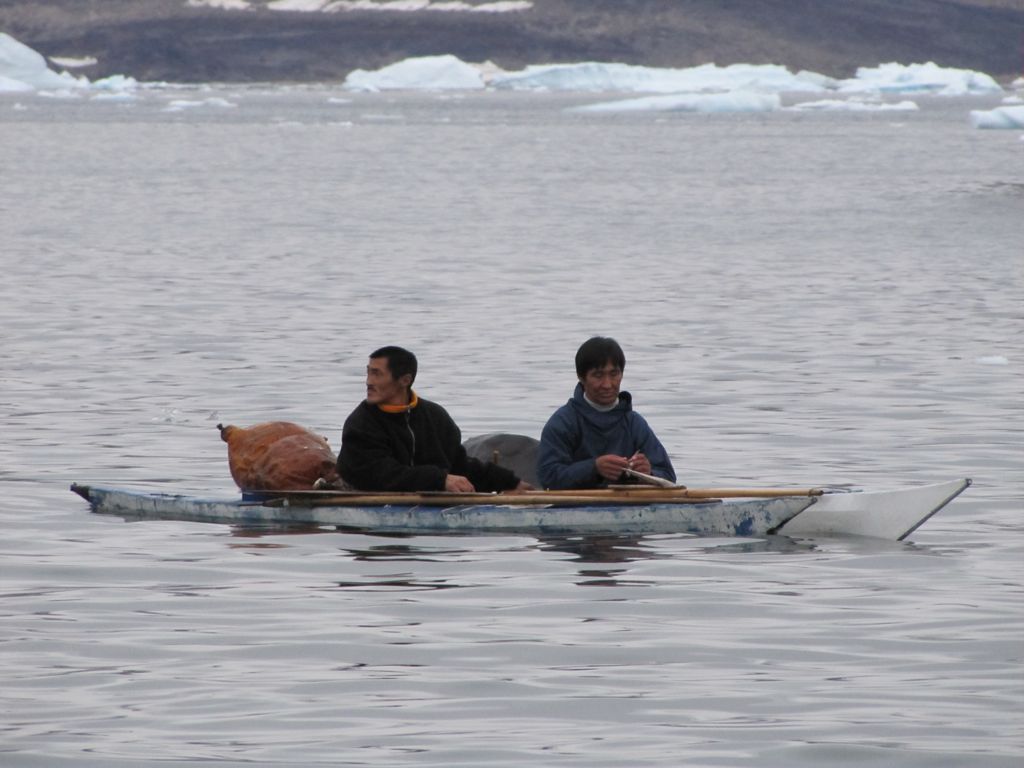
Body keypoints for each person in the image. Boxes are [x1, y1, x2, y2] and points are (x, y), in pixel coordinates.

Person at [337, 346, 532, 493]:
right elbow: (379, 475)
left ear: (405, 380)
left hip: (428, 503)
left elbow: (459, 464)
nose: (368, 381)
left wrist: (509, 482)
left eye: (377, 374)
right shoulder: (360, 424)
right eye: (369, 372)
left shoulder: (434, 417)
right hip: (370, 509)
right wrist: (440, 480)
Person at [537, 336, 676, 490]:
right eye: (598, 375)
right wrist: (594, 468)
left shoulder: (634, 423)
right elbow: (548, 477)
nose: (607, 384)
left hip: (629, 508)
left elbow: (668, 476)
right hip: (574, 509)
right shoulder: (563, 422)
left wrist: (649, 472)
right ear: (581, 377)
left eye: (614, 374)